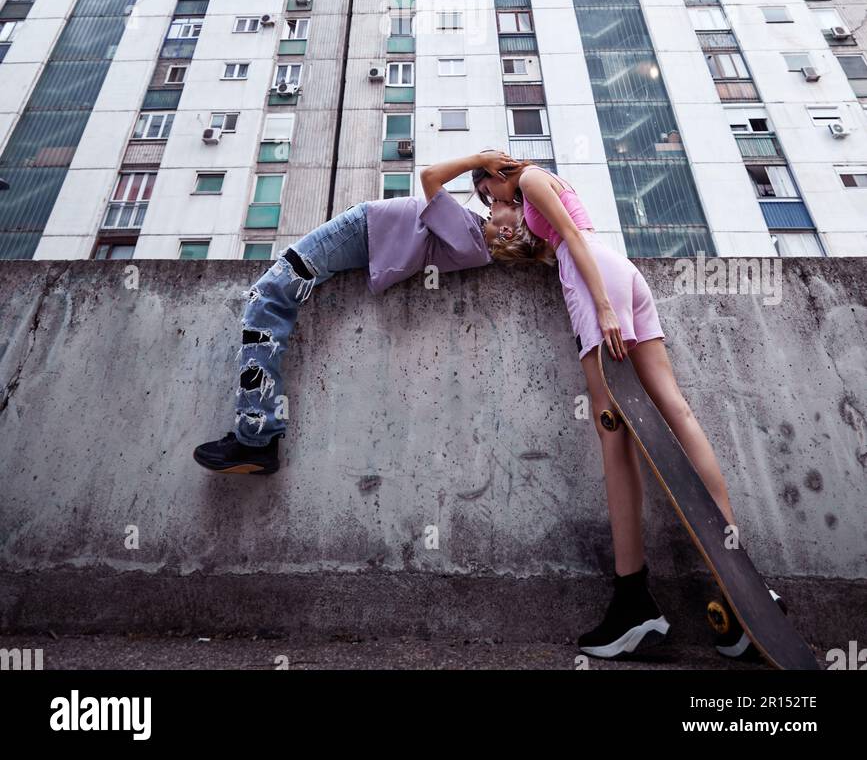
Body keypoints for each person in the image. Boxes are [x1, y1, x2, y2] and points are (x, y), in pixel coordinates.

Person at [472, 159, 770, 663]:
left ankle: (634, 603)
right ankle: (738, 579)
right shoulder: (540, 190)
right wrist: (509, 227)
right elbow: (555, 237)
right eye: (487, 200)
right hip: (619, 270)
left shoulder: (528, 178)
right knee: (675, 409)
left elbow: (568, 235)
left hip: (596, 281)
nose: (494, 201)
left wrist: (604, 307)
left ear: (502, 169)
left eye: (490, 190)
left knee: (612, 427)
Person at [193, 150, 553, 478]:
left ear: (508, 230)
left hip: (361, 229)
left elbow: (430, 177)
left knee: (267, 297)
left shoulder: (472, 239)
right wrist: (488, 172)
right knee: (272, 296)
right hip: (364, 231)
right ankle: (256, 431)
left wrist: (477, 157)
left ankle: (256, 437)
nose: (500, 201)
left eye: (512, 204)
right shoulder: (475, 234)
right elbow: (479, 186)